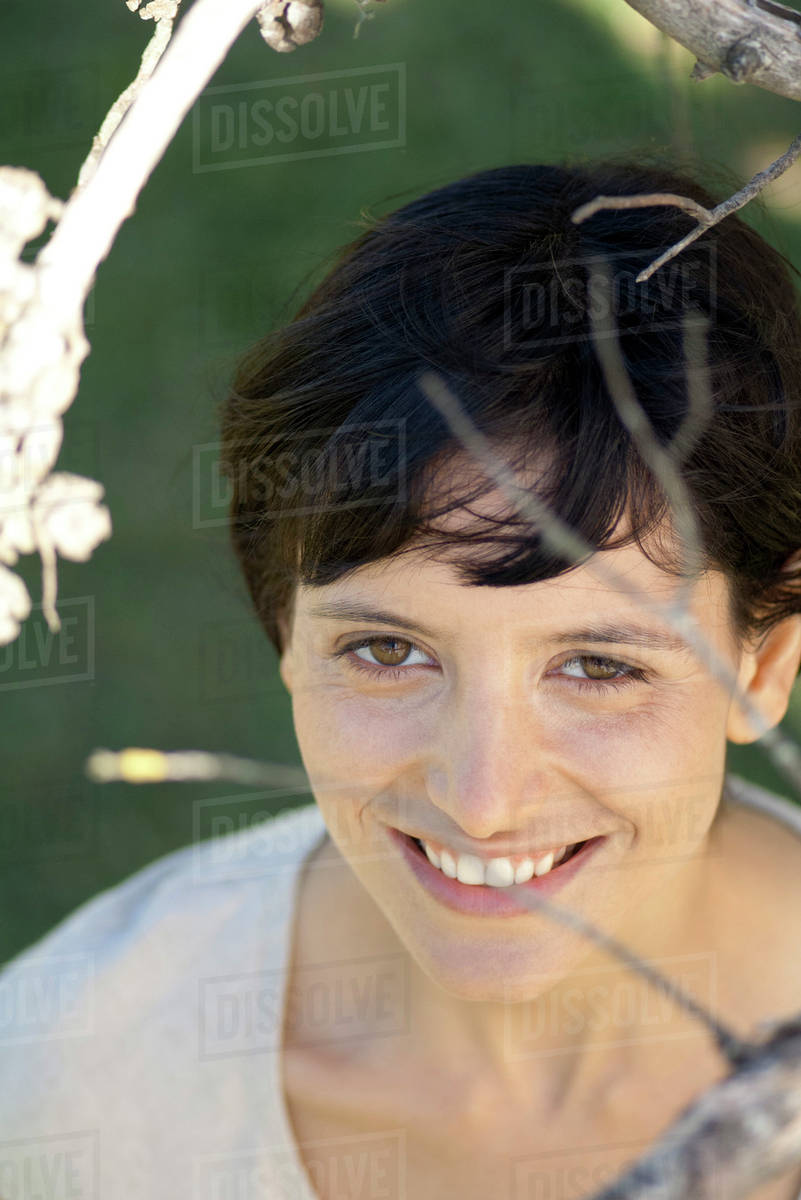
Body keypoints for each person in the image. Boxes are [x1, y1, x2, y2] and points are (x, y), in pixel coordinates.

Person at [2, 156, 801, 1200]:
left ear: (767, 658)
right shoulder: (69, 1093)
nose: (482, 798)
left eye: (600, 665)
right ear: (285, 630)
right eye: (388, 651)